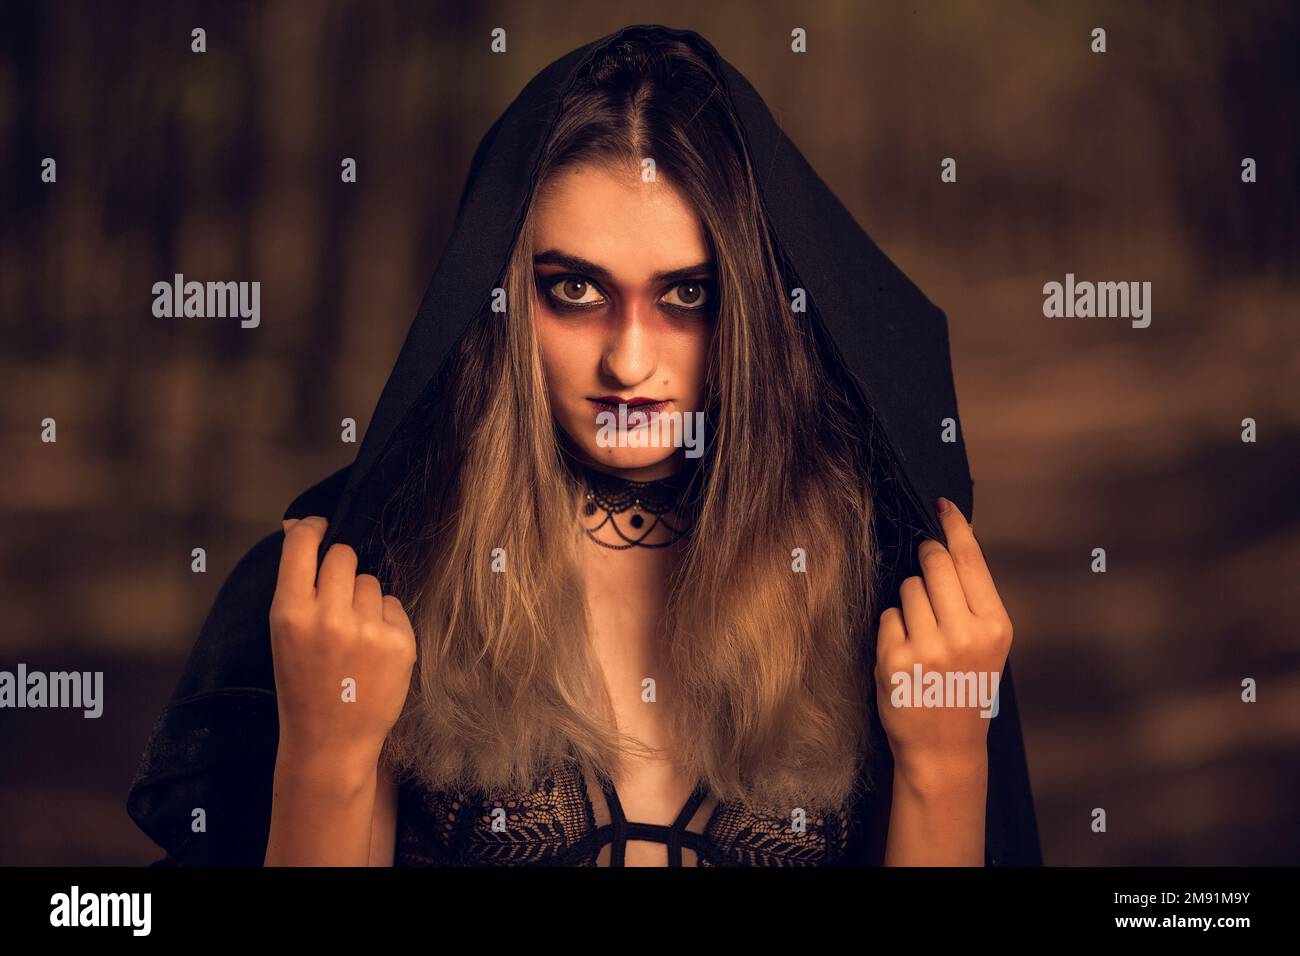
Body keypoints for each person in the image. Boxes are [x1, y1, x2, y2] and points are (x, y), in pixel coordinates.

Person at [127, 24, 1041, 867]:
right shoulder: (371, 577)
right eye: (573, 290)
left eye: (687, 296)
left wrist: (947, 765)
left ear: (760, 315)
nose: (629, 361)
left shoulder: (880, 581)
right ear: (495, 302)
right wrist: (324, 758)